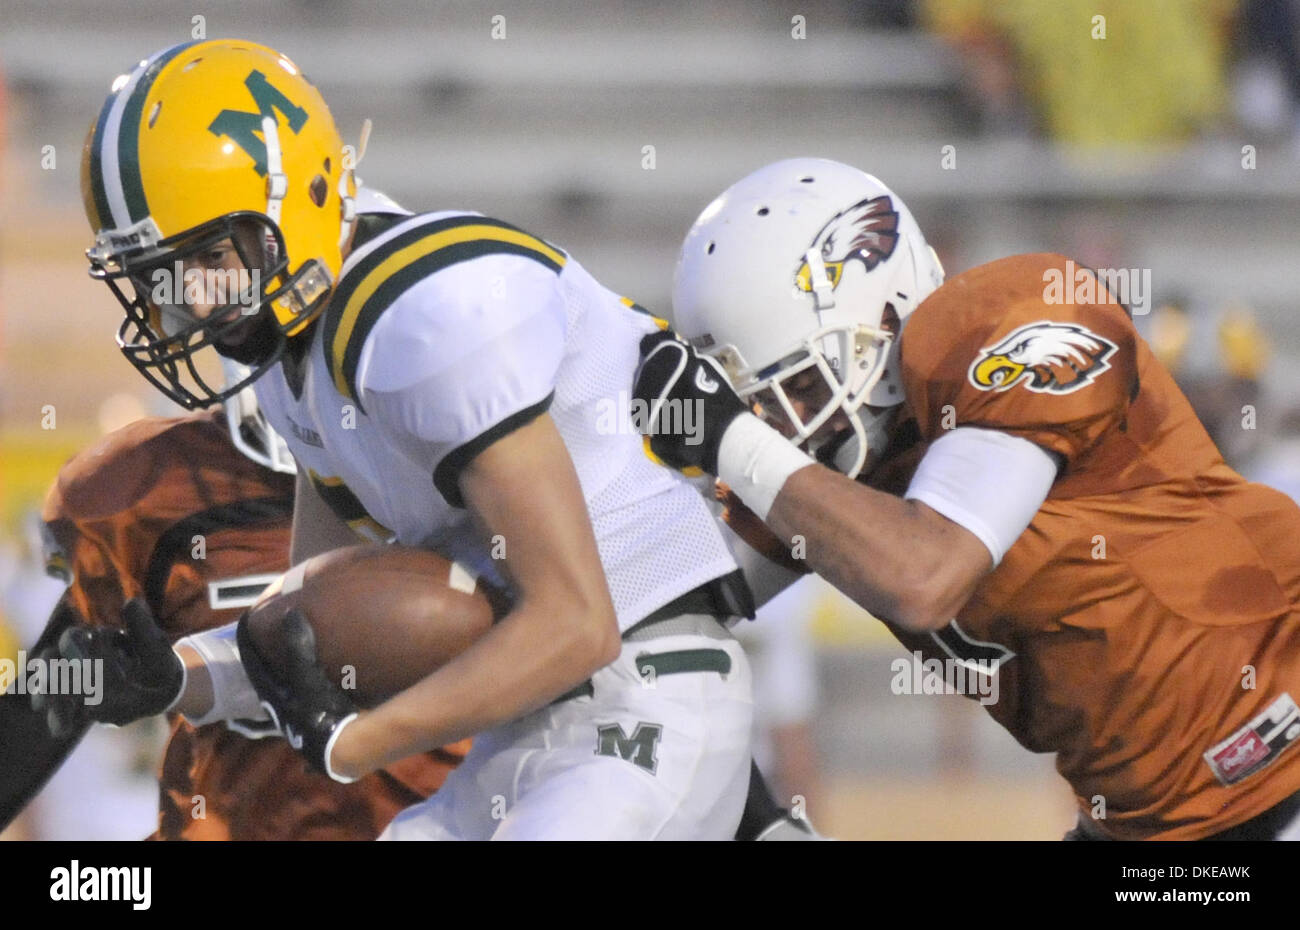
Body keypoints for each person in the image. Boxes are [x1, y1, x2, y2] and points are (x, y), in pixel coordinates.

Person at [75, 38, 754, 840]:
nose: (190, 303)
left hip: (650, 708)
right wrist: (176, 679)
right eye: (164, 278)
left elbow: (577, 623)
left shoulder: (422, 317)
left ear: (299, 200)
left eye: (209, 259)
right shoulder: (299, 354)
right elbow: (309, 632)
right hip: (522, 734)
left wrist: (355, 742)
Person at [634, 156, 1300, 840]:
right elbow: (637, 619)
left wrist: (731, 437)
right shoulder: (832, 464)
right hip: (1156, 821)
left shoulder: (1014, 316)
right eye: (756, 406)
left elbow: (924, 574)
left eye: (801, 387)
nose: (784, 428)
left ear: (889, 316)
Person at [0, 364, 466, 839]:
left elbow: (533, 643)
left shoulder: (467, 463)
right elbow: (49, 702)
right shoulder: (141, 487)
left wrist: (355, 740)